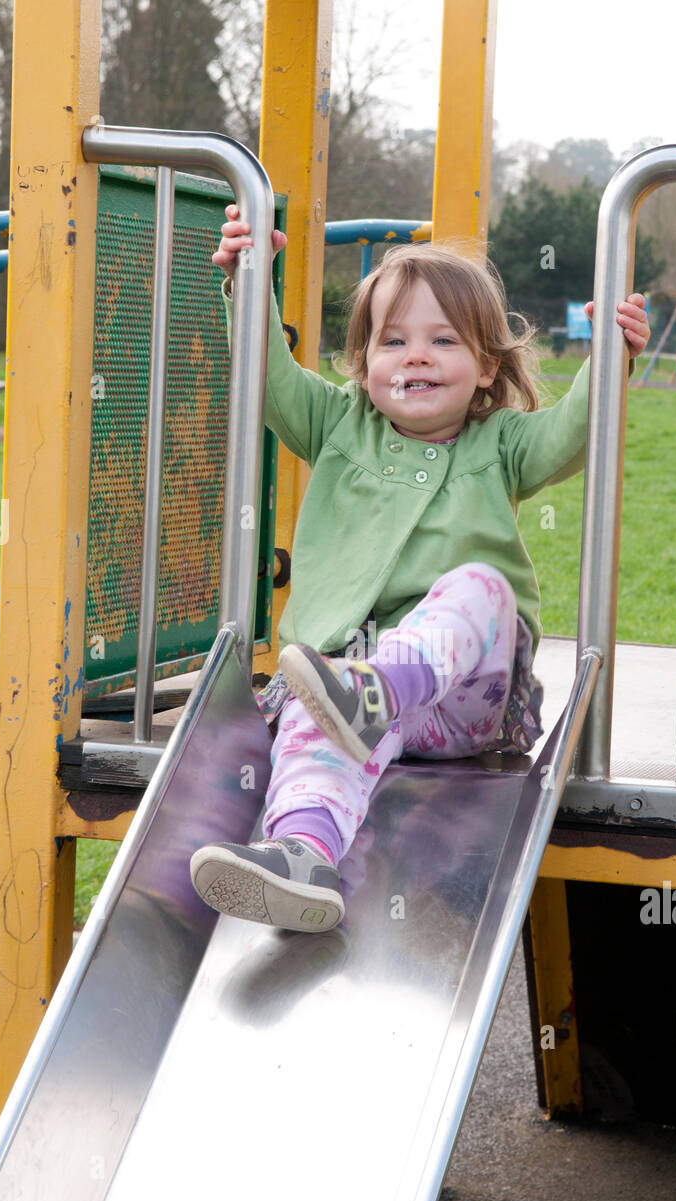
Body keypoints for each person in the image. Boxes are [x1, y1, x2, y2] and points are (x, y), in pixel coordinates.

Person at [190, 208, 649, 932]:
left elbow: (570, 436)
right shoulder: (337, 423)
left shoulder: (500, 444)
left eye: (443, 342)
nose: (415, 358)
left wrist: (609, 358)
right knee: (321, 715)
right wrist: (248, 284)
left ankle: (376, 690)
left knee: (479, 586)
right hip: (350, 680)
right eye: (393, 341)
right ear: (363, 363)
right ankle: (302, 859)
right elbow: (267, 378)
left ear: (486, 368)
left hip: (465, 698)